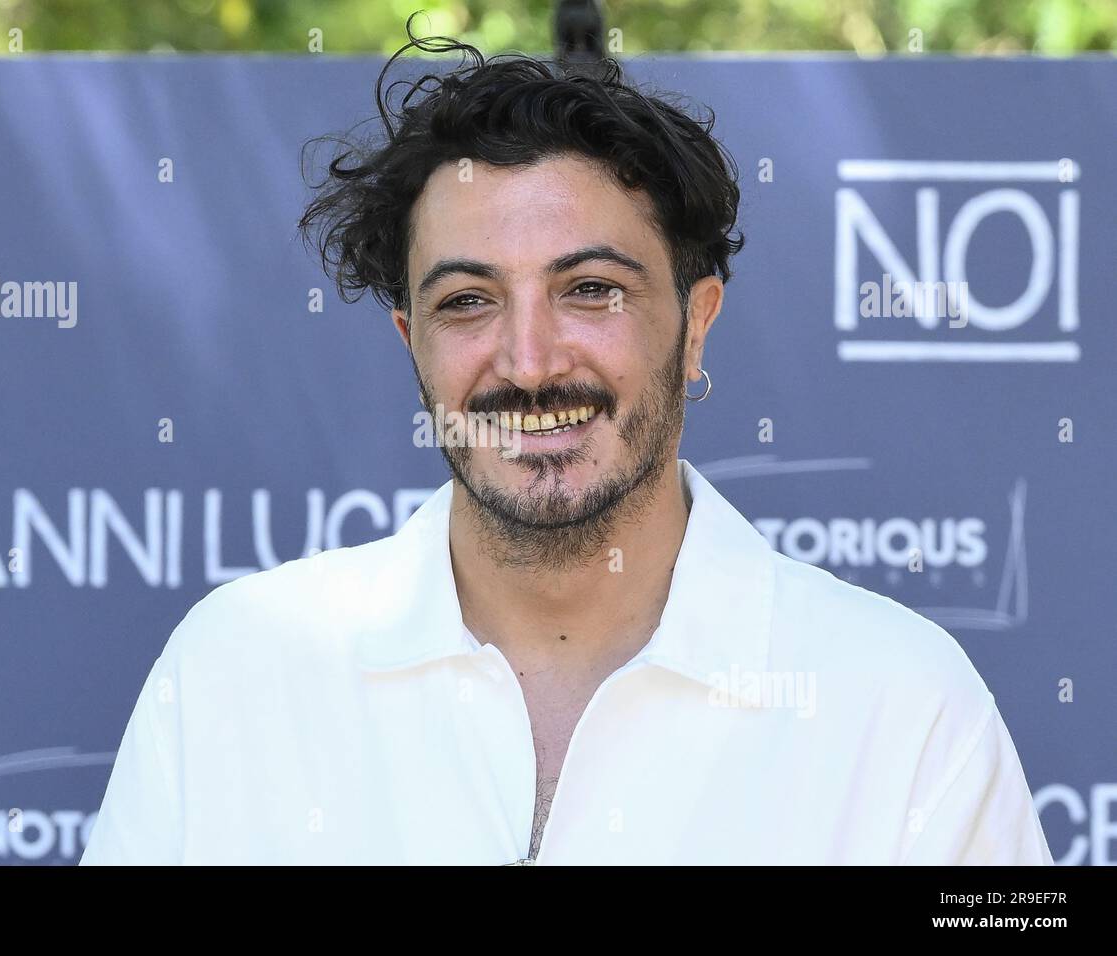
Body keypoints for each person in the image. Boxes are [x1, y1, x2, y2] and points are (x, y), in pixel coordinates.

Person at [81, 24, 1052, 865]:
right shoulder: (237, 671)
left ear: (696, 321)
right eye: (466, 301)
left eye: (590, 288)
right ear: (407, 342)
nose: (529, 359)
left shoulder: (901, 706)